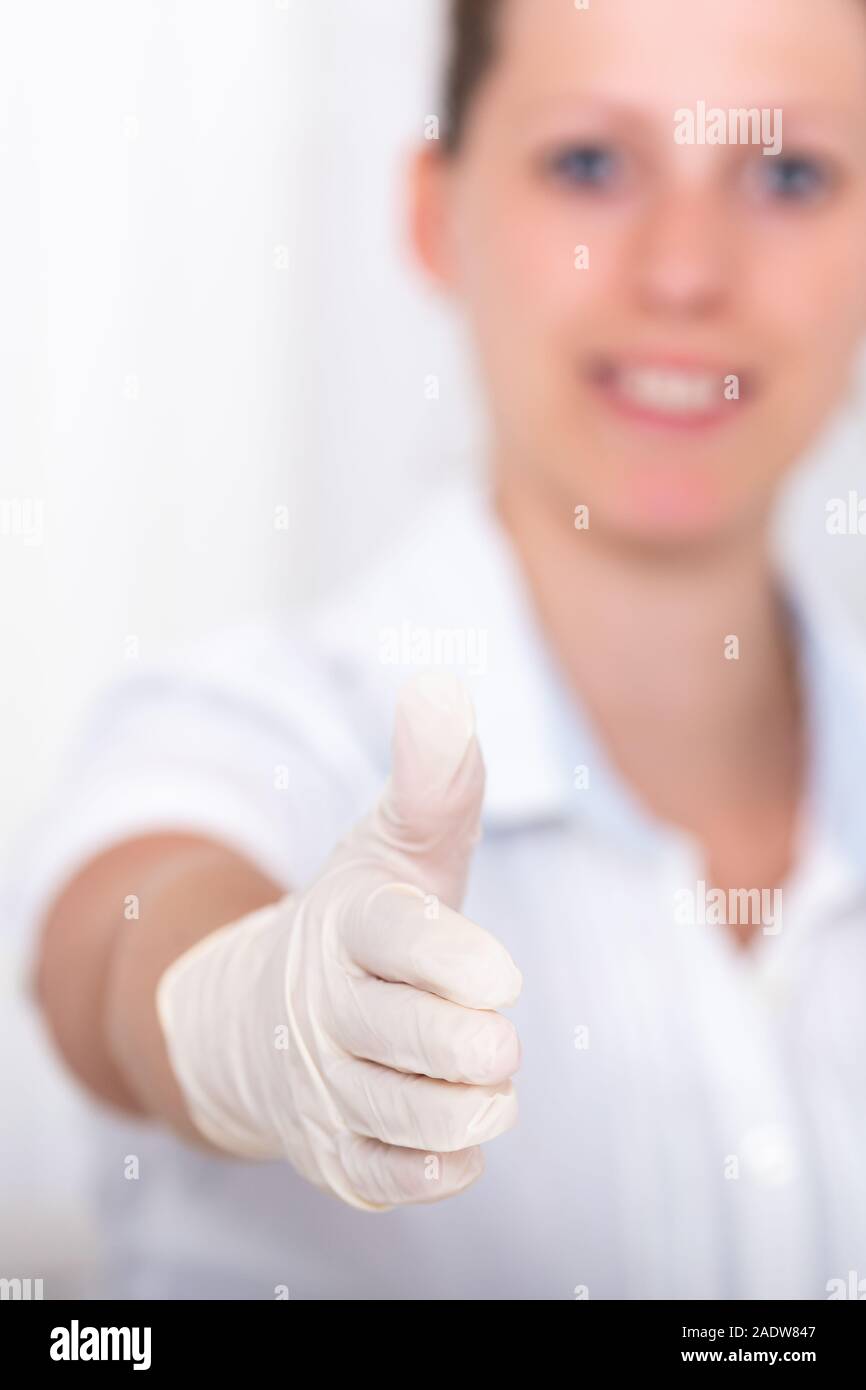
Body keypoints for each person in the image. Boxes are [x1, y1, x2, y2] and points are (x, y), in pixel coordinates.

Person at [16, 0, 866, 1299]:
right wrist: (243, 1009)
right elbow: (115, 941)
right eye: (588, 162)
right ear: (434, 210)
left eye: (787, 173)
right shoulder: (250, 728)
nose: (684, 270)